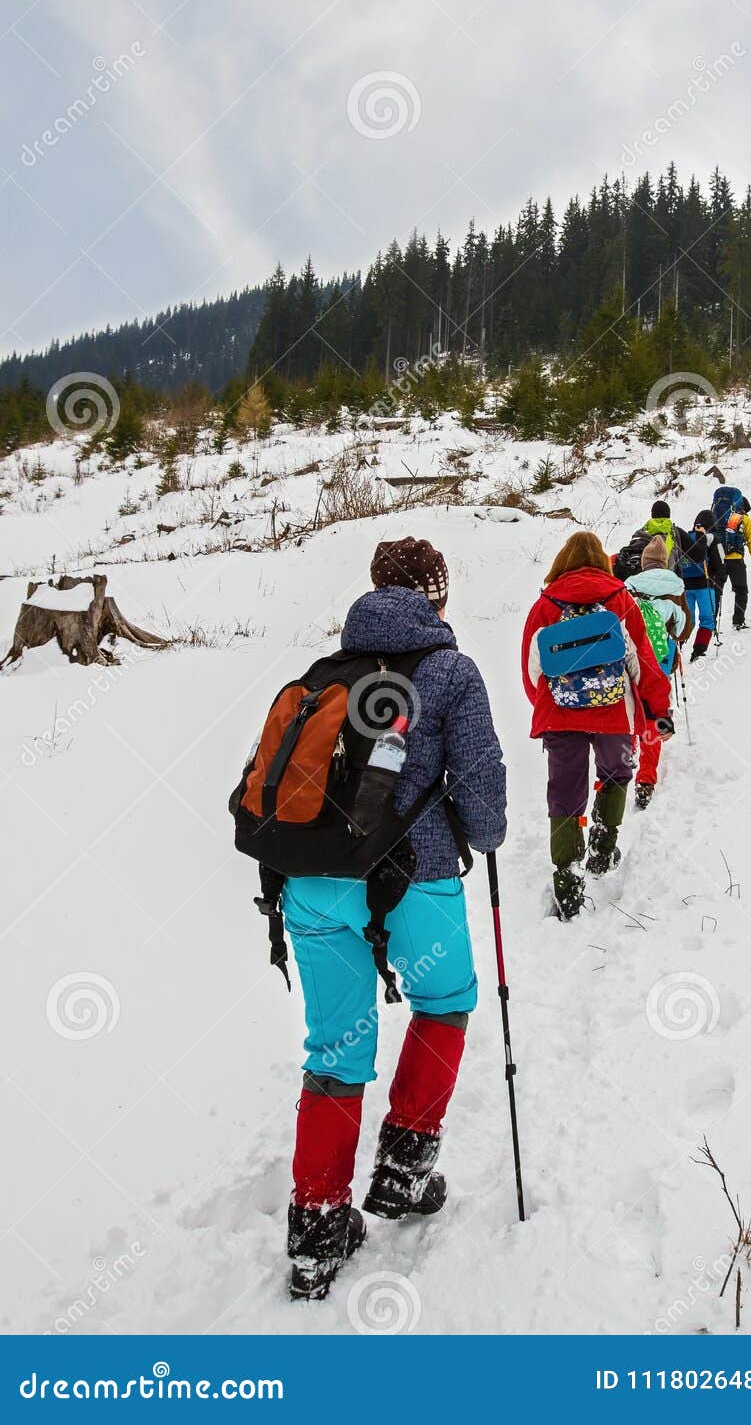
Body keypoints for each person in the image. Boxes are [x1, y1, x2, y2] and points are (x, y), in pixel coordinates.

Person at [282, 537, 506, 1300]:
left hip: (309, 886)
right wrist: (487, 836)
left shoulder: (325, 674)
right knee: (443, 1002)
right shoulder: (450, 670)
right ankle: (405, 1169)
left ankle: (316, 1227)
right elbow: (479, 786)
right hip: (414, 878)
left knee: (335, 1050)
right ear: (436, 598)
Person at [521, 530, 672, 919]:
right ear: (603, 561)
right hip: (614, 714)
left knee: (565, 788)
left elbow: (531, 670)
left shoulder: (545, 606)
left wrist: (550, 704)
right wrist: (658, 710)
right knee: (616, 773)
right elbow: (644, 663)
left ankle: (567, 878)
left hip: (561, 714)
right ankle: (603, 848)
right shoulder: (620, 600)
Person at [624, 536, 690, 809]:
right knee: (655, 714)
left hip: (631, 660)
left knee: (629, 708)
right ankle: (646, 779)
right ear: (664, 563)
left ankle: (627, 751)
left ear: (643, 564)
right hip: (660, 662)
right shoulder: (676, 588)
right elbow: (684, 628)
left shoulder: (628, 587)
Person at [679, 511, 726, 660]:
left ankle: (676, 647)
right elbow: (720, 564)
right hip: (705, 585)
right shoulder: (712, 538)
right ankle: (698, 649)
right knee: (707, 619)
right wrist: (719, 582)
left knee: (687, 619)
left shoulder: (685, 537)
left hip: (686, 586)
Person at [716, 491, 751, 629]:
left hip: (718, 559)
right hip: (736, 560)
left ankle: (710, 623)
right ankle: (738, 621)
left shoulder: (718, 517)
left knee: (716, 592)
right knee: (741, 591)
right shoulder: (744, 519)